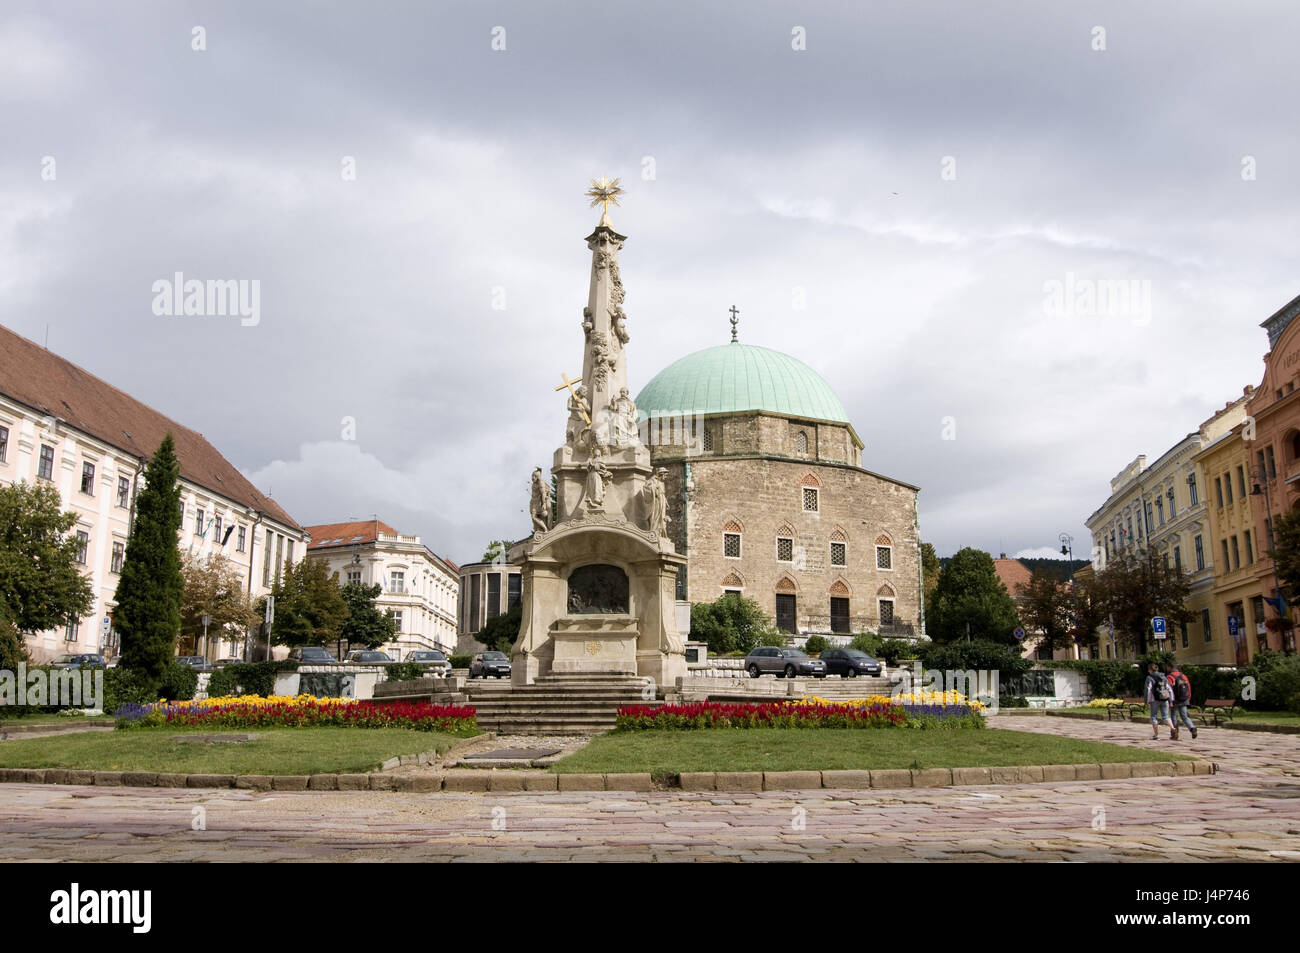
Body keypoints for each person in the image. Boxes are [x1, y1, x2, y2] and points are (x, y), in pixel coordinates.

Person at [1163, 661, 1198, 740]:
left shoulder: (1170, 676)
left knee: (1174, 717)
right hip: (1184, 699)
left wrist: (1169, 700)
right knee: (1184, 716)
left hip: (1175, 699)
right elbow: (1188, 687)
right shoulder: (1183, 676)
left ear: (1169, 667)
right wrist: (1188, 697)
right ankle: (1192, 728)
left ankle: (1175, 733)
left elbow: (1168, 689)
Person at [1144, 661, 1177, 740]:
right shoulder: (1164, 677)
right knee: (1166, 716)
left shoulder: (1149, 677)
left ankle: (1156, 735)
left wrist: (1146, 701)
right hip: (1164, 698)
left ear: (1150, 670)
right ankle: (1173, 729)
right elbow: (1169, 689)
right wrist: (1171, 700)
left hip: (1154, 700)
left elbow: (1148, 690)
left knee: (1153, 717)